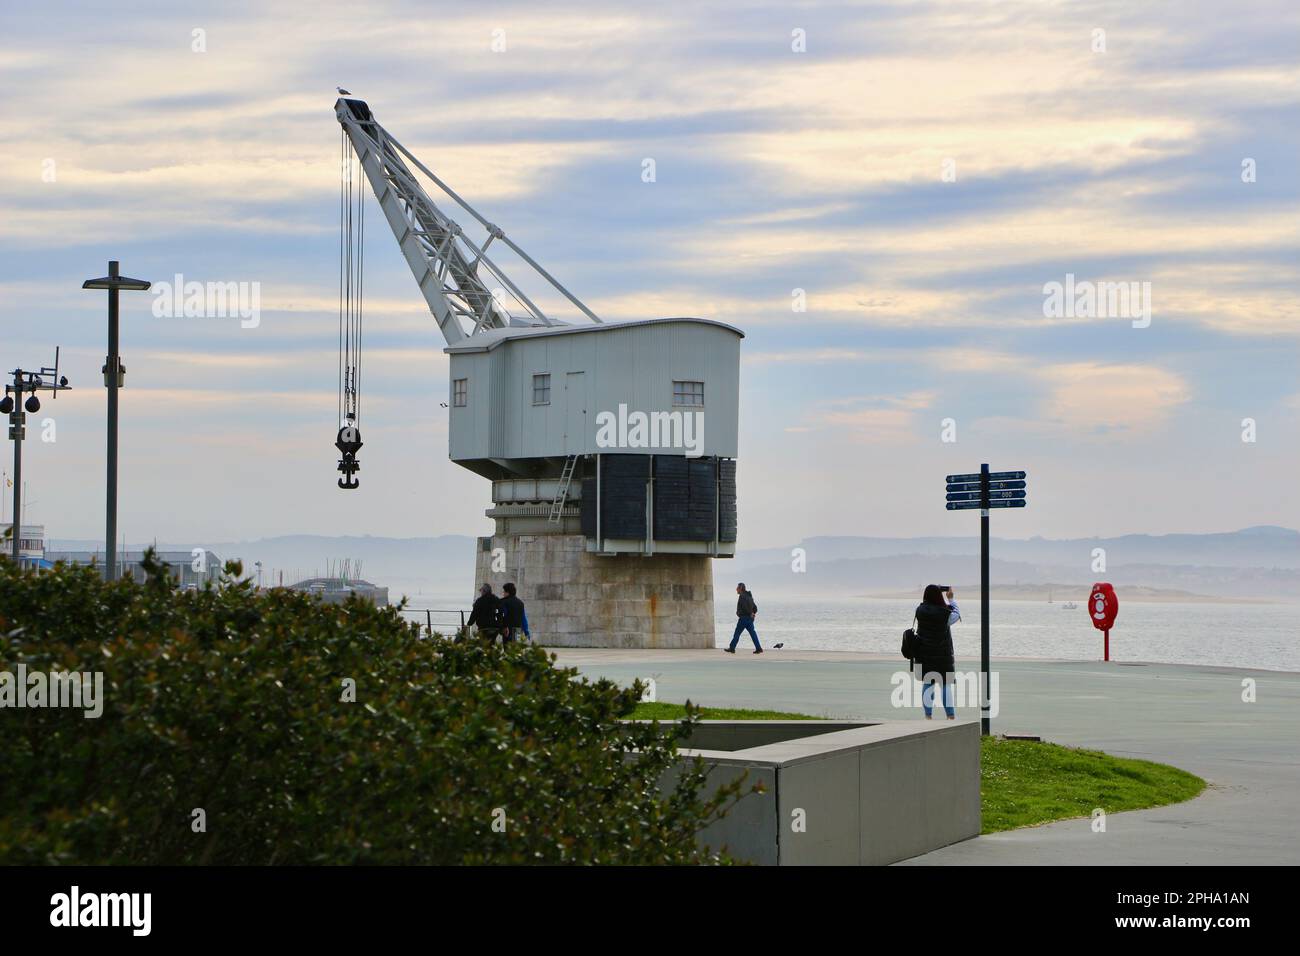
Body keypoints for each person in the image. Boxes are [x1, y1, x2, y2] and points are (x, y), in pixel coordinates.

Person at [913, 584, 960, 719]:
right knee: (945, 685)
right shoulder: (944, 613)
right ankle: (950, 716)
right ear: (939, 596)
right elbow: (956, 614)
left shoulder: (920, 610)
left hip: (923, 654)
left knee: (927, 683)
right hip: (943, 655)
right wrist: (950, 599)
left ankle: (928, 716)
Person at [725, 582, 762, 654]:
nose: (736, 589)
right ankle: (758, 648)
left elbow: (745, 607)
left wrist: (748, 613)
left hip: (744, 619)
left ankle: (732, 648)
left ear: (741, 588)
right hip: (750, 619)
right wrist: (753, 613)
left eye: (737, 588)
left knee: (737, 633)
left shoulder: (742, 596)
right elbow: (755, 608)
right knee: (753, 633)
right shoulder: (749, 596)